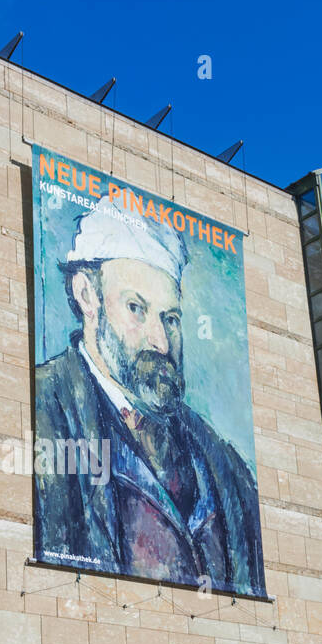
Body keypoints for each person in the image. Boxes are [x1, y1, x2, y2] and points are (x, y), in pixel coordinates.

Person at [34, 195, 264, 595]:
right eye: (137, 308)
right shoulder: (44, 411)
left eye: (170, 318)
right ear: (87, 296)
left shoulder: (222, 464)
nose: (160, 341)